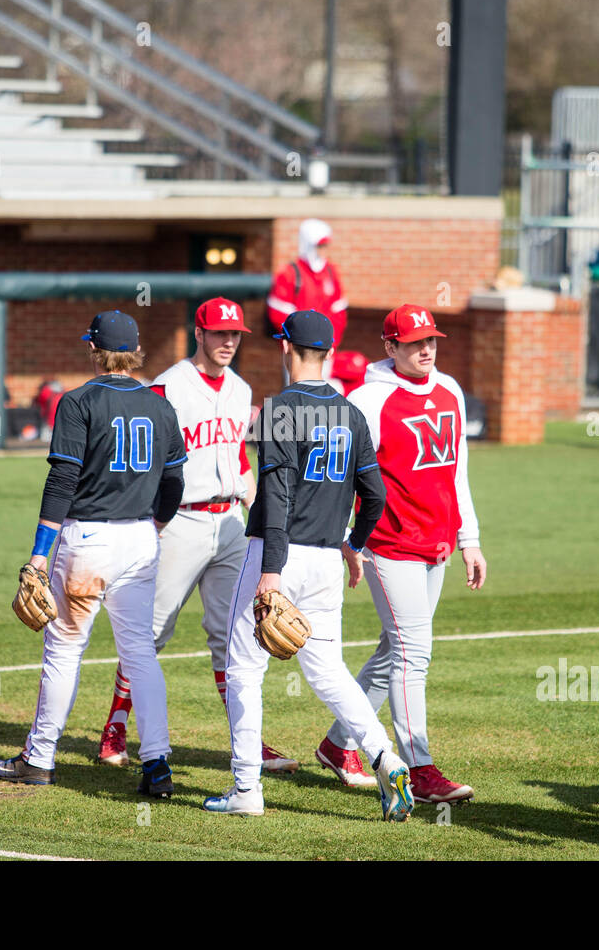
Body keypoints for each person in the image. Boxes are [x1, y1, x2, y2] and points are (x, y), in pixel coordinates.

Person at [202, 309, 413, 821]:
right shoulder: (351, 413)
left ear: (285, 348)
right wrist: (354, 546)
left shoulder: (278, 410)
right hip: (325, 559)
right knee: (329, 672)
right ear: (331, 354)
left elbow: (274, 496)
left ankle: (247, 789)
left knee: (244, 670)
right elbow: (376, 495)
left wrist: (271, 572)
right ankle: (385, 757)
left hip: (278, 554)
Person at [96, 297, 298, 774]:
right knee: (150, 631)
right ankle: (115, 726)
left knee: (234, 637)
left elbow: (241, 460)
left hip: (230, 522)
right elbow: (155, 462)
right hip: (180, 520)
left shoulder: (241, 387)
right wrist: (152, 523)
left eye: (236, 335)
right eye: (220, 333)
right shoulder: (167, 388)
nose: (229, 341)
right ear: (199, 334)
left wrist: (255, 505)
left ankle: (247, 743)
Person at [0, 311, 187, 794]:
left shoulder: (78, 401)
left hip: (87, 541)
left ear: (94, 350)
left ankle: (39, 758)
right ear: (135, 352)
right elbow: (176, 482)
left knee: (64, 649)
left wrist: (39, 553)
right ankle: (157, 763)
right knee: (139, 653)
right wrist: (155, 524)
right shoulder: (161, 405)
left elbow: (62, 480)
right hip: (140, 538)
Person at [314, 304, 486, 804]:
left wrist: (468, 538)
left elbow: (457, 472)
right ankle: (420, 765)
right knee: (414, 652)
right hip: (388, 545)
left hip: (436, 541)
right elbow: (346, 474)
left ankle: (337, 743)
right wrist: (347, 539)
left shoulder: (450, 390)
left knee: (396, 650)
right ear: (390, 347)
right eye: (413, 343)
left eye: (430, 340)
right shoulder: (368, 399)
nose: (426, 349)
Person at [267, 218, 348, 375]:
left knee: (321, 396)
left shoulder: (330, 272)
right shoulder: (290, 274)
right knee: (297, 395)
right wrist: (300, 344)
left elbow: (339, 313)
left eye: (325, 245)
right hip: (298, 353)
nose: (323, 250)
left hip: (325, 352)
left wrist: (330, 343)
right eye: (319, 245)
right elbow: (279, 316)